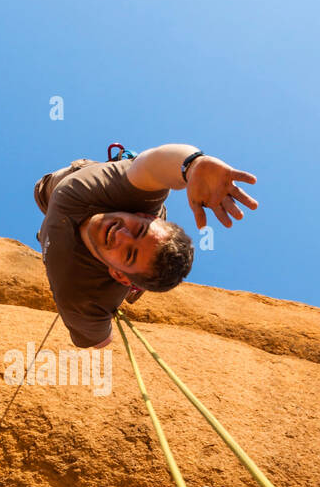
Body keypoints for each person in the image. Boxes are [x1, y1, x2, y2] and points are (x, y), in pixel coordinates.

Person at [34, 143, 258, 348]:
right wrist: (191, 165)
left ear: (118, 276)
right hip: (68, 190)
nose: (121, 234)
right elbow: (153, 165)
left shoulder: (81, 297)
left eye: (129, 254)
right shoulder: (112, 190)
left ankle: (130, 277)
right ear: (144, 216)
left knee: (50, 231)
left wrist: (108, 305)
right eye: (138, 230)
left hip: (62, 243)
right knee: (41, 190)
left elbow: (100, 341)